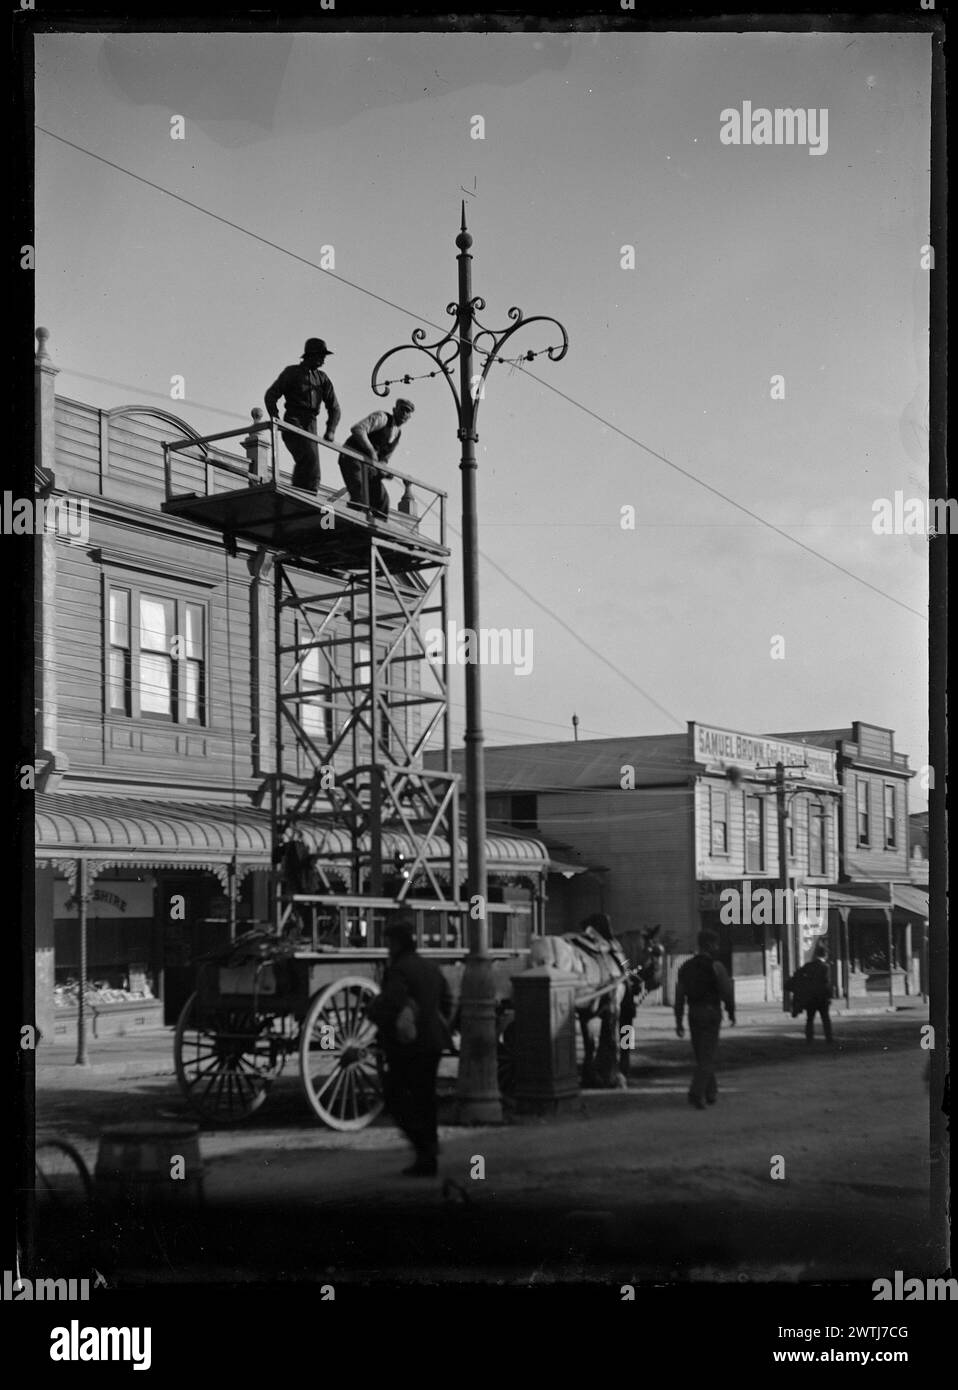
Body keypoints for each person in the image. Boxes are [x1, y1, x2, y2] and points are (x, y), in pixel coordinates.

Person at [366, 916, 454, 1177]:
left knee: (395, 1096)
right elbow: (447, 1000)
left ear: (395, 944)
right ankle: (428, 1155)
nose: (387, 949)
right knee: (425, 1098)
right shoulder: (430, 967)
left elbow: (392, 1002)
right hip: (433, 1043)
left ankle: (424, 1148)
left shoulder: (399, 970)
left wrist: (374, 1012)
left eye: (388, 943)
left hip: (407, 1046)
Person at [264, 338, 341, 491]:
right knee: (308, 458)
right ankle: (300, 495)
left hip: (311, 423)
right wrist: (275, 417)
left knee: (314, 470)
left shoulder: (322, 378)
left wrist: (331, 429)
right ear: (311, 355)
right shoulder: (292, 372)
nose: (323, 360)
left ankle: (307, 496)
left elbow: (334, 407)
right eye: (320, 356)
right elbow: (271, 395)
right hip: (293, 419)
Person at [674, 929, 736, 1110]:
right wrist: (731, 1012)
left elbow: (679, 997)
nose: (717, 947)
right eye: (715, 944)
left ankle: (711, 1092)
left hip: (693, 1013)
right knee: (707, 1057)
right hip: (711, 1013)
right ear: (709, 945)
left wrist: (678, 1021)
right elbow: (727, 992)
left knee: (702, 1054)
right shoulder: (716, 966)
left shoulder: (685, 967)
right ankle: (696, 1093)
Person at [339, 399, 415, 519]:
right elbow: (358, 429)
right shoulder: (382, 417)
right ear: (395, 409)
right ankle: (356, 523)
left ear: (410, 416)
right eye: (402, 409)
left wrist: (384, 471)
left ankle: (379, 529)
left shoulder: (397, 434)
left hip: (368, 466)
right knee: (359, 495)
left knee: (382, 500)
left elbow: (384, 460)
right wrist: (371, 450)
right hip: (352, 457)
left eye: (408, 412)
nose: (404, 414)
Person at [790, 943, 833, 1044]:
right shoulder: (825, 967)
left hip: (810, 997)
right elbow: (826, 983)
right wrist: (829, 996)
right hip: (822, 998)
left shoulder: (808, 965)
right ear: (825, 955)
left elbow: (798, 975)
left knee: (810, 1018)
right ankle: (828, 1038)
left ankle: (809, 1038)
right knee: (825, 1018)